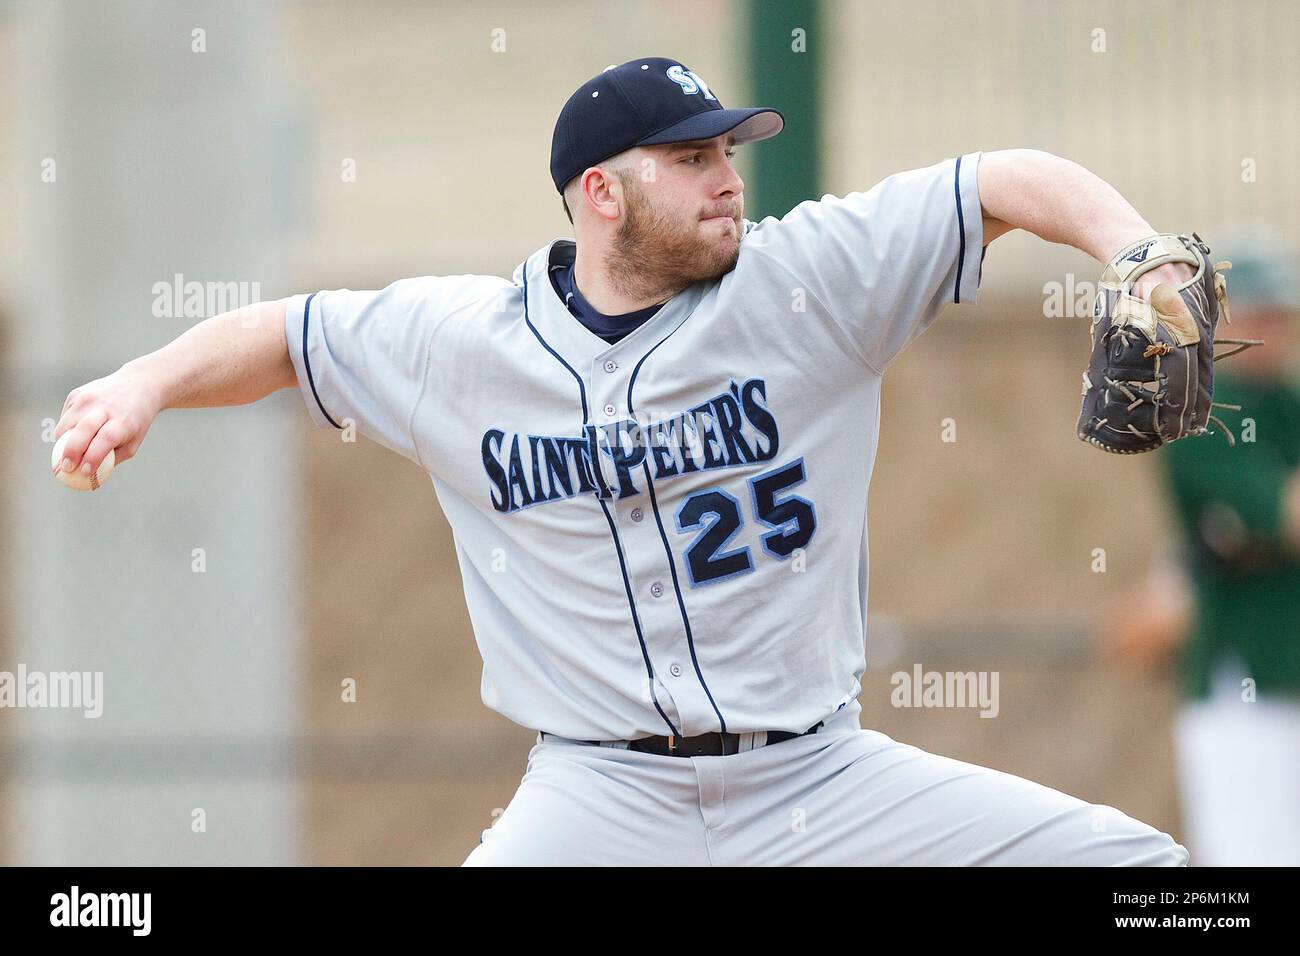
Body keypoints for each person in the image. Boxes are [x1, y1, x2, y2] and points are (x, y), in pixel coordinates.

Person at [53, 56, 1189, 865]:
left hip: (816, 781)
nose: (727, 177)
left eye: (728, 153)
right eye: (691, 158)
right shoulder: (461, 344)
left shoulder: (809, 280)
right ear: (602, 191)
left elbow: (1004, 178)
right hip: (599, 795)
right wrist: (142, 380)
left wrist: (1134, 250)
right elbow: (285, 335)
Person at [1101, 234, 1300, 866]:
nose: (1274, 327)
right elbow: (1287, 519)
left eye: (1281, 311)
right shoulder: (1201, 410)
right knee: (1251, 861)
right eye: (1257, 311)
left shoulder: (1288, 404)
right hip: (1247, 678)